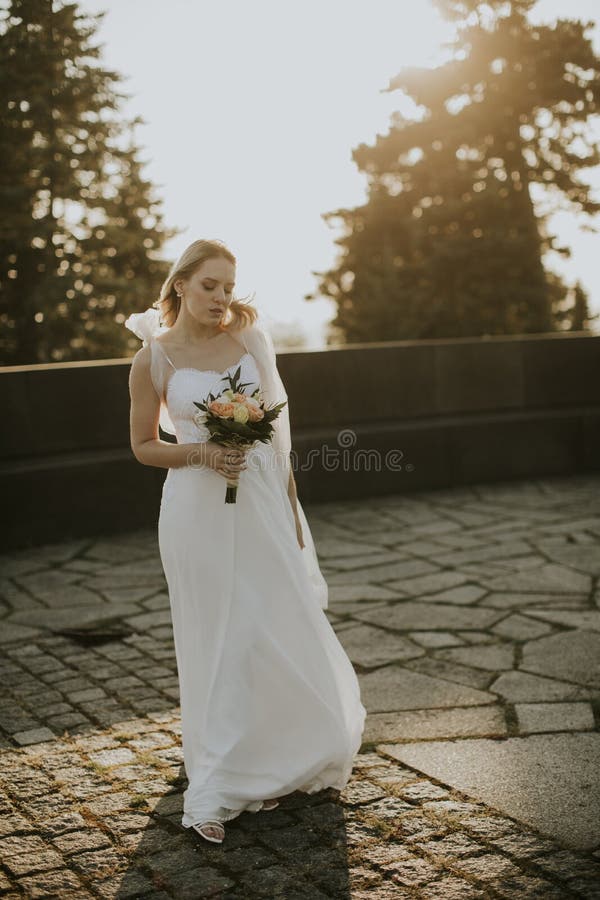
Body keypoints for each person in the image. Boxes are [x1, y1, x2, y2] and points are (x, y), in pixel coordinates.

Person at [126, 238, 366, 844]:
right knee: (216, 632)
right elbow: (144, 446)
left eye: (229, 287)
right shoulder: (152, 359)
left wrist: (290, 514)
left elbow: (279, 439)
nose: (221, 298)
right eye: (210, 285)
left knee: (271, 620)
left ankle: (292, 743)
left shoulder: (250, 342)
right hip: (193, 510)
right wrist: (203, 451)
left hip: (257, 499)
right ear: (181, 285)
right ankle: (221, 765)